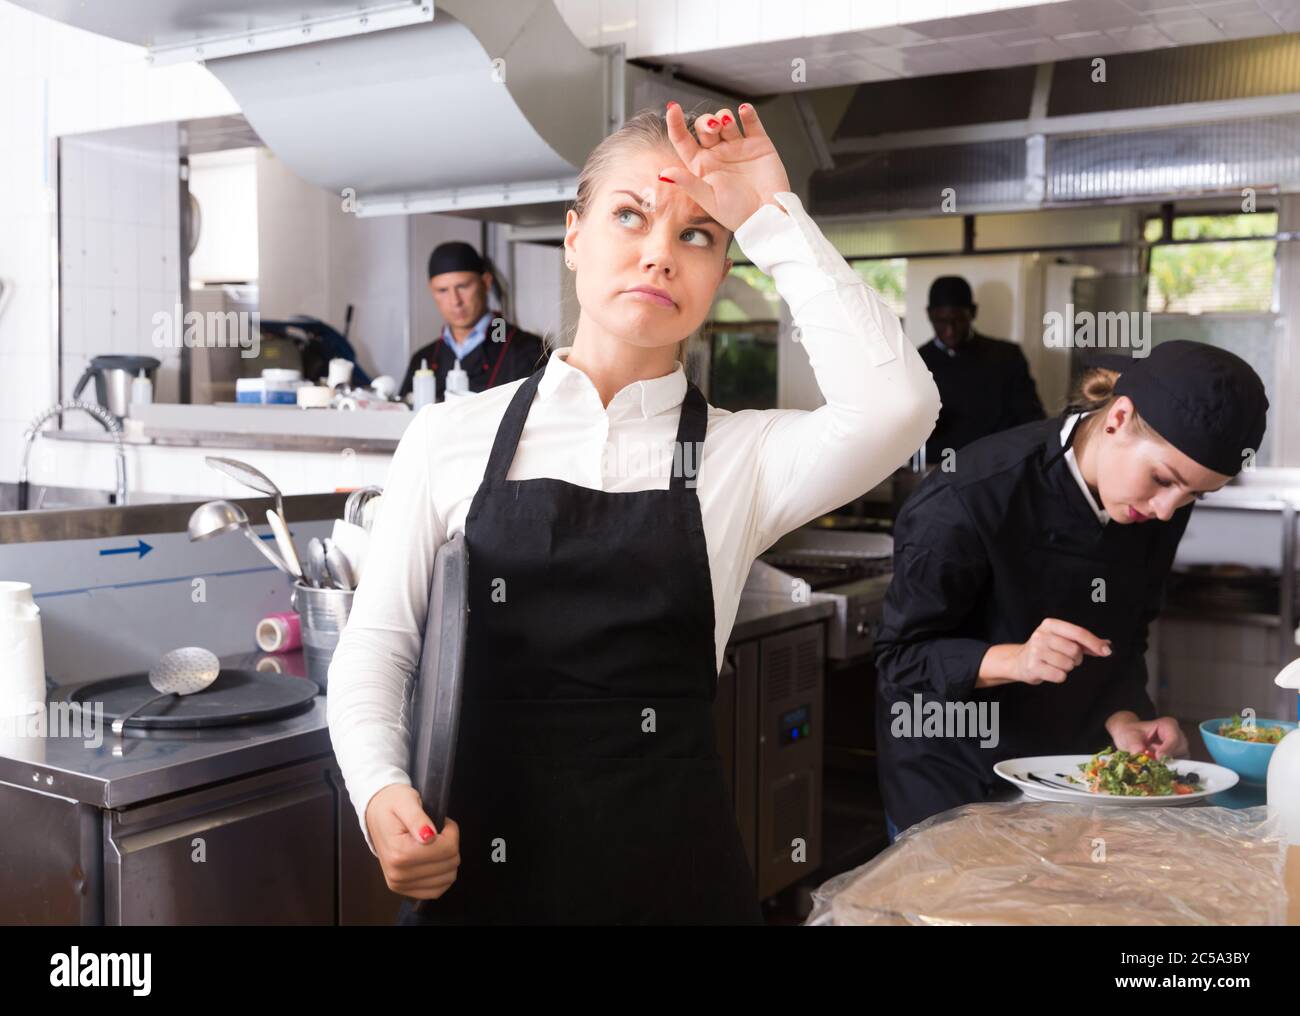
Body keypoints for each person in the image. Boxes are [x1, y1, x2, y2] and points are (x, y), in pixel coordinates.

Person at [328, 102, 940, 924]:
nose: (659, 253)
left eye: (697, 235)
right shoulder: (449, 435)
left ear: (724, 273)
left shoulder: (740, 457)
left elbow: (899, 405)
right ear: (575, 238)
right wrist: (379, 796)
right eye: (630, 216)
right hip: (479, 873)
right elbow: (379, 646)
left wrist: (768, 215)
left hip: (675, 881)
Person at [875, 340, 1268, 836]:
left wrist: (1125, 720)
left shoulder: (1154, 505)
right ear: (1118, 418)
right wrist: (1015, 660)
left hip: (1070, 780)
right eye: (1164, 480)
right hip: (953, 778)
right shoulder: (969, 496)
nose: (1169, 510)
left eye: (1194, 495)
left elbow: (1125, 635)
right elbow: (900, 659)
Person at [397, 241, 548, 400]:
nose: (455, 301)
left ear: (486, 282)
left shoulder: (527, 349)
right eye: (442, 290)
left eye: (463, 286)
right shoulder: (424, 358)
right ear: (431, 291)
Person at [918, 275, 1044, 464]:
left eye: (958, 320)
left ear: (973, 312)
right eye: (941, 321)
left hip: (995, 468)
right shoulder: (917, 362)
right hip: (939, 471)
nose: (950, 330)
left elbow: (1031, 418)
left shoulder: (1007, 357)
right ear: (929, 314)